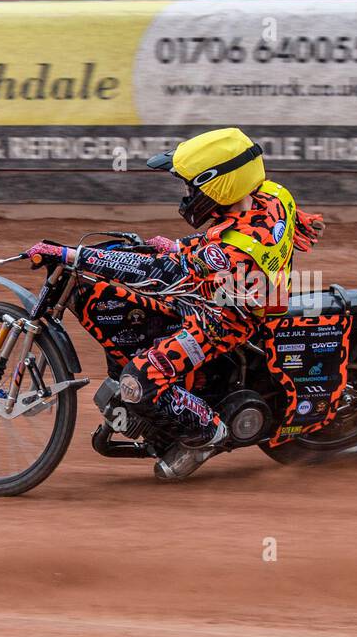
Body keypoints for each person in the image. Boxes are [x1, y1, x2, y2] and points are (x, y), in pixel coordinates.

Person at [26, 127, 324, 479]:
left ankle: (208, 434)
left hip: (222, 318)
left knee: (139, 379)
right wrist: (181, 246)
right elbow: (255, 228)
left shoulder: (231, 251)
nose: (186, 196)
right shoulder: (274, 196)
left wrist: (72, 254)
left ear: (219, 187)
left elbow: (155, 270)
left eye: (192, 188)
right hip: (239, 291)